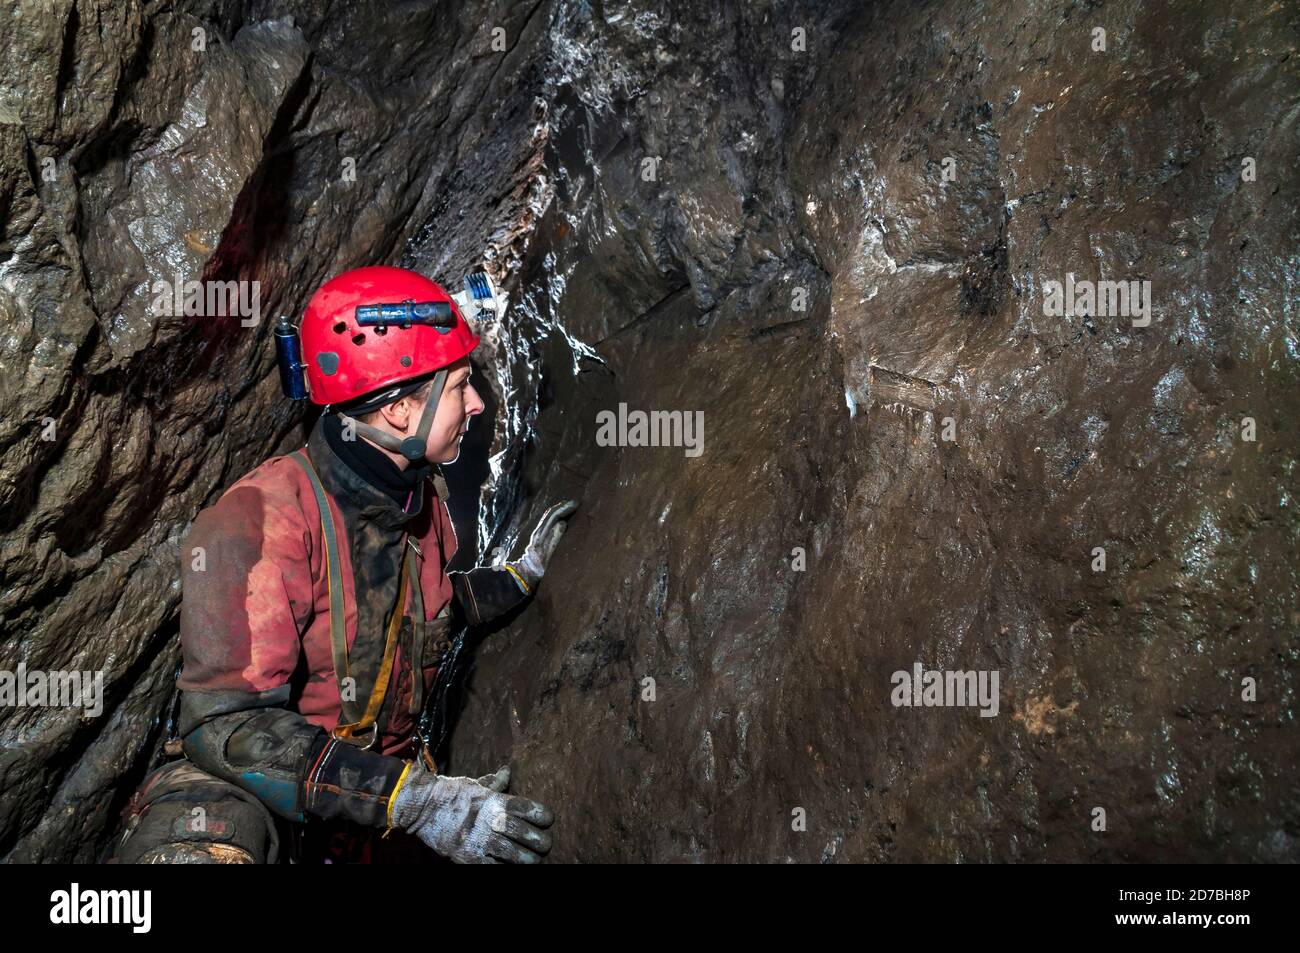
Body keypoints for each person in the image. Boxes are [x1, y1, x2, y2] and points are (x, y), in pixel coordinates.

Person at [112, 265, 577, 864]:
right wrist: (419, 801)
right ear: (402, 412)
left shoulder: (417, 504)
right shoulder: (260, 523)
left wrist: (519, 577)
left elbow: (426, 617)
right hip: (275, 808)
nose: (476, 402)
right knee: (206, 839)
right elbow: (226, 729)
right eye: (461, 385)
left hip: (371, 809)